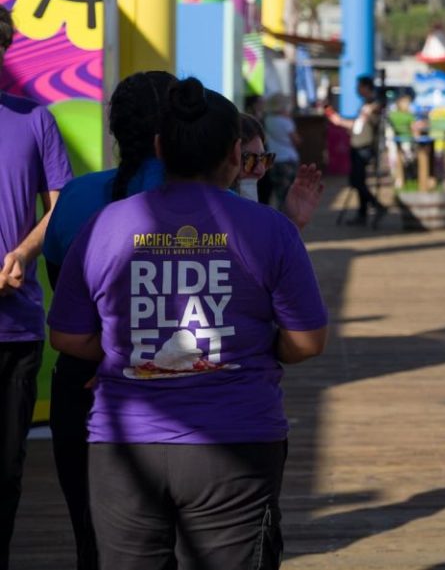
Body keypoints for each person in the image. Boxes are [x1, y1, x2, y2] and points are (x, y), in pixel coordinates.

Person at [47, 76, 328, 569]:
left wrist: (129, 349)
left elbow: (67, 334)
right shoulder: (269, 228)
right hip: (236, 441)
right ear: (235, 156)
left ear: (161, 146)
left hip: (124, 444)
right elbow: (306, 340)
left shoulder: (105, 225)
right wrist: (263, 347)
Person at [42, 70, 175, 570]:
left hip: (85, 389)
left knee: (94, 542)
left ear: (115, 132)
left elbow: (66, 297)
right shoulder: (211, 203)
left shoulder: (77, 197)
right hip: (181, 388)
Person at [0, 4, 73, 568]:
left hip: (16, 326)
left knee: (7, 467)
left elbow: (62, 205)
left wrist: (23, 252)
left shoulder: (35, 119)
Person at [326, 75, 388, 226]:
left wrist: (372, 108)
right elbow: (358, 125)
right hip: (358, 145)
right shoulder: (366, 104)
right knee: (357, 180)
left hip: (364, 147)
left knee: (357, 181)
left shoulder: (374, 103)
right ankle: (363, 214)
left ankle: (376, 205)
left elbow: (379, 107)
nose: (357, 90)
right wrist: (340, 121)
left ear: (366, 87)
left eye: (359, 86)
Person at [264, 94, 302, 211]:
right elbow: (296, 140)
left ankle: (280, 217)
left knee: (279, 193)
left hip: (273, 159)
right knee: (290, 193)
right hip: (289, 158)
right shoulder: (286, 122)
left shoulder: (268, 120)